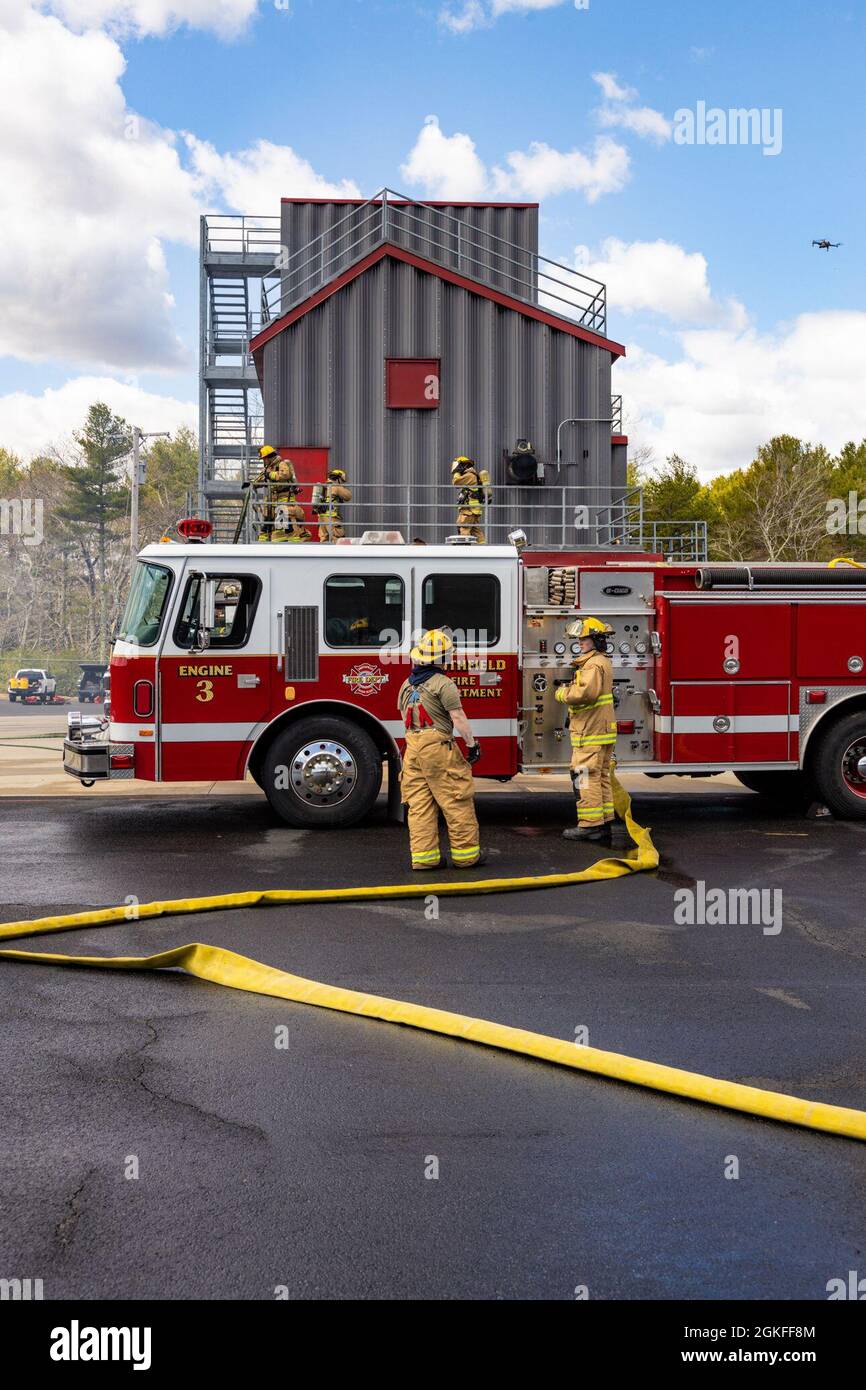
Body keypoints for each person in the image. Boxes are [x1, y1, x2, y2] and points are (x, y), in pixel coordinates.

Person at [397, 629, 484, 871]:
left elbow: (404, 716)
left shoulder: (406, 684)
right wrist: (471, 744)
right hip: (437, 747)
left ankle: (425, 859)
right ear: (440, 659)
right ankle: (466, 857)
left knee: (419, 805)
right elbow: (457, 716)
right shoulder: (443, 683)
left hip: (412, 748)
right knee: (456, 798)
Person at [555, 616, 617, 843]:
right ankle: (604, 821)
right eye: (579, 638)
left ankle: (590, 825)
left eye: (585, 638)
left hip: (589, 730)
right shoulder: (602, 661)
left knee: (583, 775)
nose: (580, 642)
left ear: (597, 640)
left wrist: (562, 693)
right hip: (600, 729)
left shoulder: (592, 665)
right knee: (600, 776)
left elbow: (585, 694)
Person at [255, 445, 298, 541]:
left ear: (269, 457)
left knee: (281, 525)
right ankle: (264, 541)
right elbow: (261, 479)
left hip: (283, 497)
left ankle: (282, 542)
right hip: (273, 499)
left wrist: (270, 475)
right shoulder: (268, 468)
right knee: (268, 522)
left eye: (264, 459)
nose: (263, 461)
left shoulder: (281, 464)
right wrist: (252, 484)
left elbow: (285, 475)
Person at [450, 456, 490, 542]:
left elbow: (456, 482)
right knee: (476, 531)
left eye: (457, 465)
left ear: (463, 465)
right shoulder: (472, 476)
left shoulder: (469, 476)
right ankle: (484, 549)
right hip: (473, 510)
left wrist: (456, 472)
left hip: (468, 510)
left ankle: (465, 551)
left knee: (464, 530)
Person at [314, 468, 352, 541]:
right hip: (331, 518)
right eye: (342, 480)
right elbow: (348, 496)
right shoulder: (336, 487)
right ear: (337, 479)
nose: (342, 482)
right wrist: (340, 487)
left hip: (321, 518)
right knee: (338, 539)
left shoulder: (323, 487)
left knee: (324, 539)